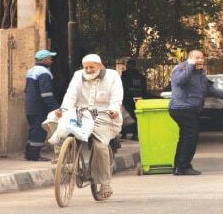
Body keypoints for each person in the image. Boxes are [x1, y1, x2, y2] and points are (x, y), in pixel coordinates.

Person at [55, 54, 123, 200]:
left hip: (104, 116)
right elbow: (70, 95)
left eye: (92, 67)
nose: (89, 70)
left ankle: (105, 184)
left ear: (100, 66)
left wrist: (114, 109)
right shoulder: (78, 75)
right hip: (81, 114)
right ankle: (63, 157)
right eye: (86, 67)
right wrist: (64, 109)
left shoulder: (112, 76)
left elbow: (117, 95)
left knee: (100, 146)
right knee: (61, 124)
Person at [169, 50, 223, 176]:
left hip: (191, 109)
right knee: (191, 136)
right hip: (182, 108)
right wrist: (190, 65)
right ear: (190, 58)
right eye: (197, 58)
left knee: (185, 137)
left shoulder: (200, 73)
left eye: (202, 58)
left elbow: (208, 89)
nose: (200, 60)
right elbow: (179, 81)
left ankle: (179, 166)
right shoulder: (180, 68)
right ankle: (183, 166)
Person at [24, 49, 59, 161]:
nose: (51, 61)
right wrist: (55, 107)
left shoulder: (32, 71)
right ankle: (34, 156)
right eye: (49, 58)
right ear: (44, 60)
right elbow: (46, 93)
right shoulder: (44, 73)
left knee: (33, 129)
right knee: (39, 130)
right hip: (39, 106)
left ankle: (30, 154)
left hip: (30, 105)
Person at [121, 58, 148, 140]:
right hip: (137, 98)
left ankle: (125, 133)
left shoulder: (125, 75)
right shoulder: (140, 76)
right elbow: (144, 89)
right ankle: (134, 133)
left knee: (126, 116)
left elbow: (122, 87)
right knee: (135, 116)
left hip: (128, 98)